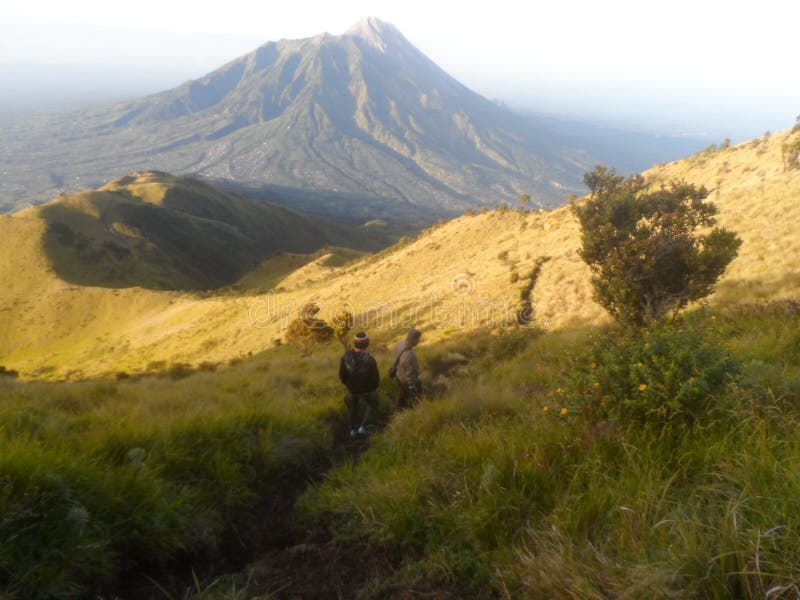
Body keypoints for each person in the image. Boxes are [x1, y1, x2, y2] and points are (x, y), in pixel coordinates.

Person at [339, 331, 380, 437]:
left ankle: (352, 429)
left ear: (355, 343)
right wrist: (368, 390)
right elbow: (375, 380)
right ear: (367, 343)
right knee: (373, 402)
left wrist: (349, 385)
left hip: (351, 390)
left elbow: (342, 375)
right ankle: (364, 427)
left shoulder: (346, 357)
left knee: (352, 406)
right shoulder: (370, 359)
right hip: (366, 391)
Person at [393, 328, 422, 409]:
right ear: (414, 339)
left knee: (401, 397)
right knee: (415, 400)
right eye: (418, 339)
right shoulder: (411, 355)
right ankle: (411, 413)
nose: (419, 341)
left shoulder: (399, 343)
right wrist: (411, 387)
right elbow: (411, 374)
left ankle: (397, 412)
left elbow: (395, 357)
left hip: (398, 376)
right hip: (406, 381)